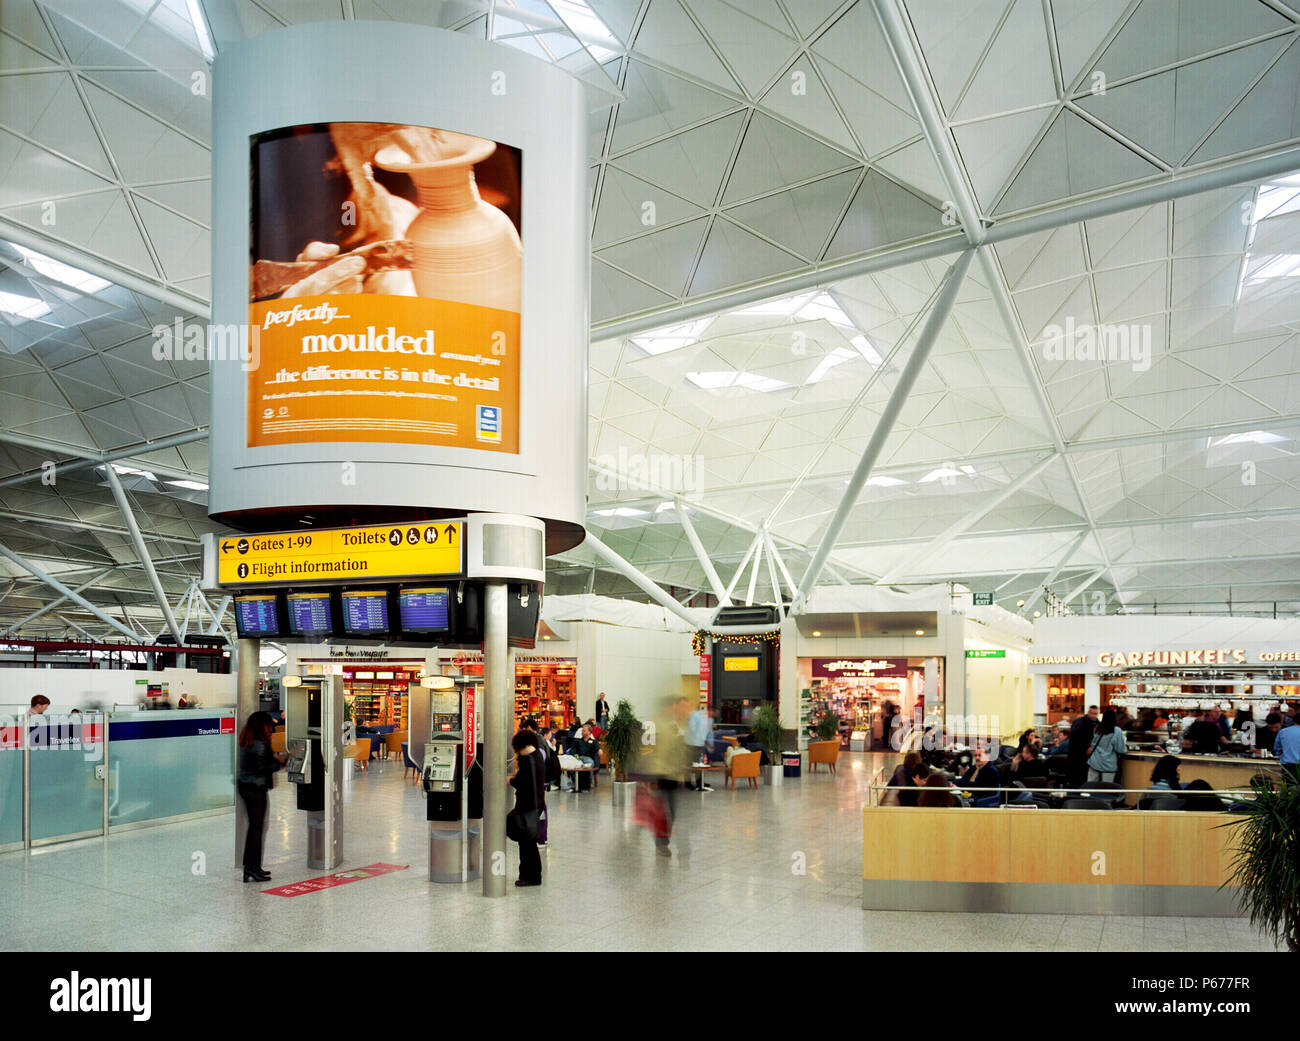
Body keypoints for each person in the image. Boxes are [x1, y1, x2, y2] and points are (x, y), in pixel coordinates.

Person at [236, 711, 286, 883]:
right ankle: (252, 869)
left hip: (246, 787)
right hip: (256, 789)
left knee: (254, 829)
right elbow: (265, 767)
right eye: (268, 724)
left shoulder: (247, 739)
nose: (271, 728)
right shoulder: (259, 744)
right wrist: (279, 760)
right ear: (262, 725)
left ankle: (251, 867)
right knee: (257, 829)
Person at [508, 730, 543, 887]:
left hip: (526, 805)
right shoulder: (538, 756)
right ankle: (532, 875)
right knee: (530, 841)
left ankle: (529, 876)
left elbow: (523, 784)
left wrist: (511, 781)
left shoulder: (527, 760)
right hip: (537, 803)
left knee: (526, 843)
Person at [1086, 708, 1127, 783]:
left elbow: (1093, 744)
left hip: (1095, 761)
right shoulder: (1117, 731)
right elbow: (1120, 749)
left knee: (1091, 786)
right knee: (1106, 787)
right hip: (1108, 764)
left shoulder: (1097, 728)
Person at [684, 703, 714, 791]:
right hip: (691, 744)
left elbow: (705, 733)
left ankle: (699, 783)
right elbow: (692, 729)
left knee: (699, 765)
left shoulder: (705, 719)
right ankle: (688, 783)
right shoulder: (694, 716)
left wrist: (708, 745)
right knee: (689, 764)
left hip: (699, 744)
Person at [1066, 706, 1098, 787]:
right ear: (1088, 713)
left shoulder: (1097, 723)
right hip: (1077, 755)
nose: (1094, 716)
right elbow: (1074, 739)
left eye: (1096, 714)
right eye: (1093, 713)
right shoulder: (1079, 723)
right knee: (1077, 779)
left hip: (1086, 756)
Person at [569, 722, 600, 792]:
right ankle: (577, 782)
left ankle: (588, 782)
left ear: (589, 732)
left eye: (584, 730)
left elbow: (598, 749)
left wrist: (600, 751)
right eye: (582, 730)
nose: (582, 732)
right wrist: (575, 756)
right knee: (571, 764)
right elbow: (572, 750)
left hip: (588, 759)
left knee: (590, 762)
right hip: (578, 758)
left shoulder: (593, 741)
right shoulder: (578, 740)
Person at [1275, 715, 1300, 782]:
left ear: (1293, 721)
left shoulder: (1283, 731)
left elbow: (1277, 749)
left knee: (1290, 789)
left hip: (1289, 767)